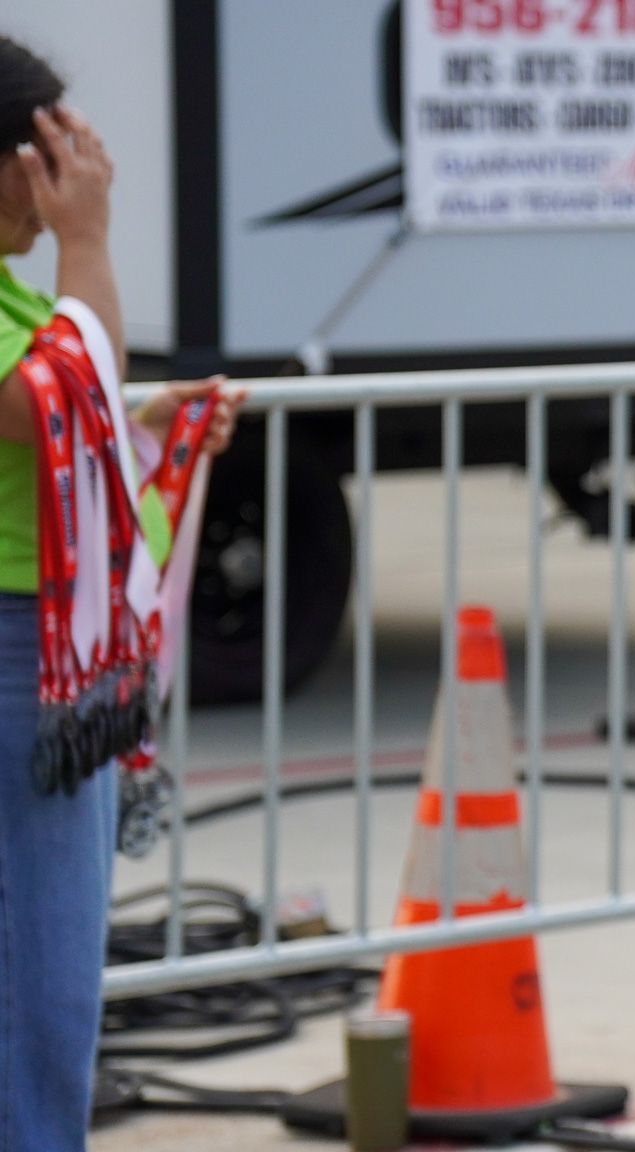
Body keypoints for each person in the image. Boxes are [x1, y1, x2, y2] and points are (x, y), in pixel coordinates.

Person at [0, 35, 242, 1149]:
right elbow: (56, 395)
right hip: (18, 662)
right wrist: (89, 242)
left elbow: (66, 415)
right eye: (42, 162)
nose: (56, 196)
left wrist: (137, 426)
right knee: (36, 989)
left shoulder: (10, 293)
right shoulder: (38, 277)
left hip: (33, 655)